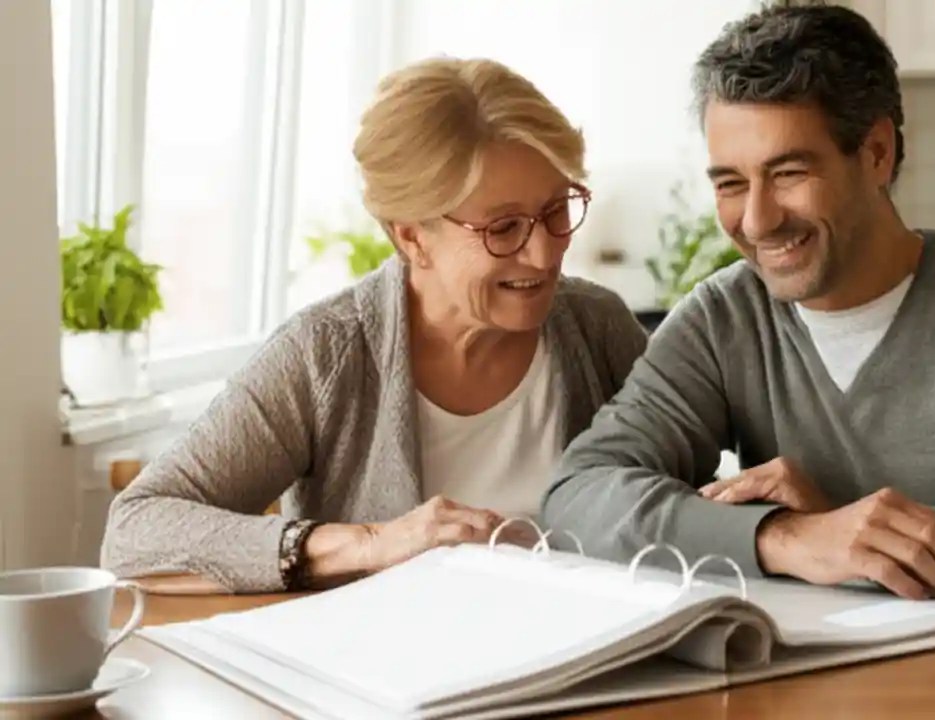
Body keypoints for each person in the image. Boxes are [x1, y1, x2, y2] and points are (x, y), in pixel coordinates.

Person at [543, 4, 935, 600]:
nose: (759, 219)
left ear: (876, 153)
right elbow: (578, 496)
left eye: (790, 173)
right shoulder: (722, 321)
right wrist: (787, 537)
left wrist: (868, 534)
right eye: (732, 183)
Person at [101, 57, 647, 594]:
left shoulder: (596, 328)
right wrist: (370, 543)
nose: (545, 253)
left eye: (557, 209)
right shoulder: (326, 353)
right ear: (411, 236)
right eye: (504, 228)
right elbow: (135, 532)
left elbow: (678, 496)